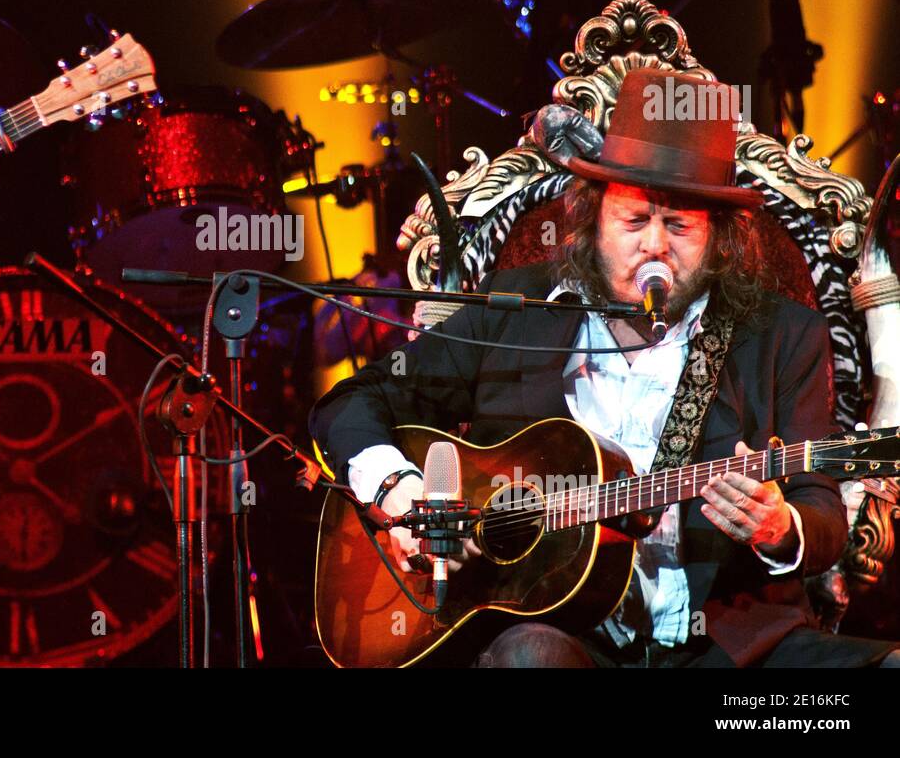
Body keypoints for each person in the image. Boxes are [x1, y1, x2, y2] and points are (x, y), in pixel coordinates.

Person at [310, 66, 900, 667]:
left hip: (731, 647)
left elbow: (821, 511)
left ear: (719, 236)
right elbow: (352, 403)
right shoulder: (514, 313)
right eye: (634, 221)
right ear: (594, 218)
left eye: (680, 226)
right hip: (562, 639)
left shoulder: (781, 334)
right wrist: (399, 492)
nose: (654, 245)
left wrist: (781, 526)